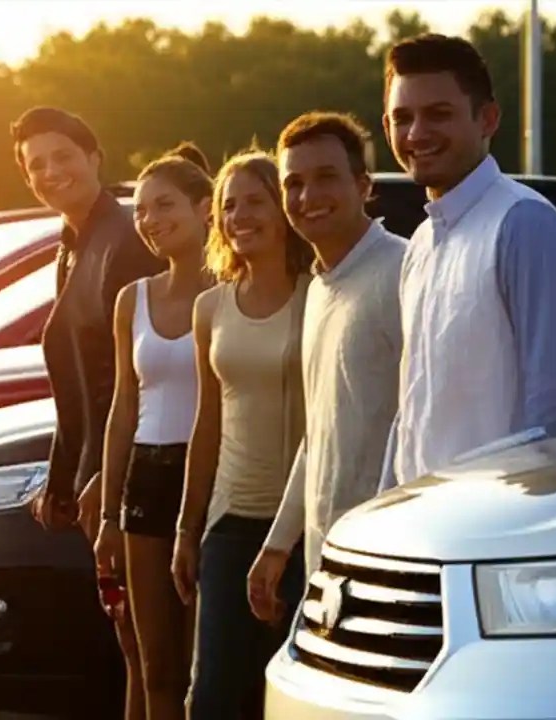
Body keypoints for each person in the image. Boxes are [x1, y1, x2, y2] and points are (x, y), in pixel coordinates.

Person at [377, 34, 556, 491]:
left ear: (488, 119)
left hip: (494, 539)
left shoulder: (526, 226)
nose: (417, 133)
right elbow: (413, 410)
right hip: (422, 533)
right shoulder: (420, 243)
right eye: (403, 118)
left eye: (439, 114)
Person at [11, 106, 166, 716]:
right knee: (129, 644)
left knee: (151, 651)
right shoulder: (72, 243)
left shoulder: (126, 241)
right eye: (36, 165)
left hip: (129, 478)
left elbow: (136, 379)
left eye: (63, 157)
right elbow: (71, 383)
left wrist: (106, 476)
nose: (52, 173)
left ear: (95, 157)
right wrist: (59, 480)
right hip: (92, 482)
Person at [171, 150, 314, 719]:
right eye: (229, 205)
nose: (240, 216)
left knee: (286, 694)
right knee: (212, 696)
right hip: (229, 525)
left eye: (256, 201)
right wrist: (188, 527)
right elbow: (208, 423)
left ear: (282, 210)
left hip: (305, 526)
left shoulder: (319, 294)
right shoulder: (210, 308)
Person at [247, 112, 407, 620]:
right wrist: (279, 542)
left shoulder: (403, 272)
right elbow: (318, 433)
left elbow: (427, 426)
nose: (307, 195)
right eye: (293, 183)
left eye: (326, 177)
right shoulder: (318, 288)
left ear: (363, 185)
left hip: (393, 560)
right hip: (328, 564)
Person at [93, 142, 215, 720]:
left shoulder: (233, 295)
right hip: (145, 480)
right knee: (153, 663)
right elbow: (124, 407)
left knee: (204, 668)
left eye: (164, 206)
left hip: (214, 481)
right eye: (140, 210)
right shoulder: (132, 299)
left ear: (205, 208)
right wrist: (110, 516)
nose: (149, 221)